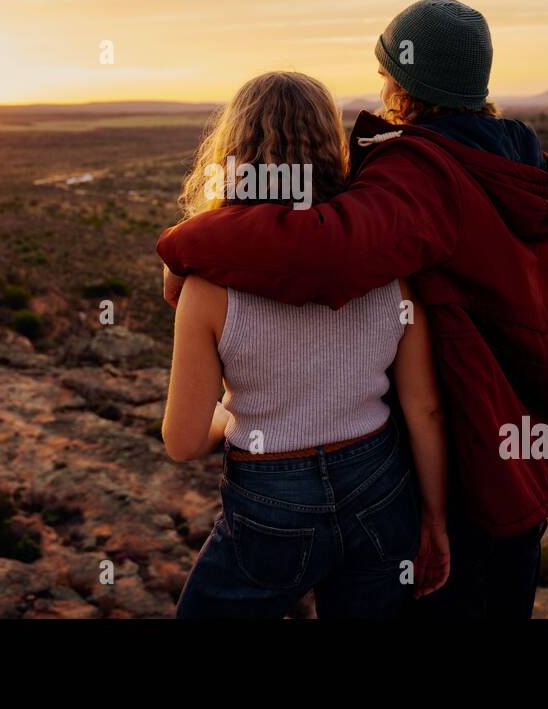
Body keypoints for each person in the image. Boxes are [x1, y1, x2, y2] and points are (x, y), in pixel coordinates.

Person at [158, 0, 548, 619]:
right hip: (522, 469)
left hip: (461, 476)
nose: (381, 85)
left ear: (409, 83)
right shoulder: (546, 183)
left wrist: (183, 245)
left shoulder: (422, 174)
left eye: (387, 71)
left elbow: (319, 252)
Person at [161, 70, 450, 619]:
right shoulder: (388, 269)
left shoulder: (206, 288)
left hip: (273, 495)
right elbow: (425, 409)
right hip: (382, 486)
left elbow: (182, 441)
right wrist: (434, 521)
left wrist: (229, 413)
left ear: (233, 149)